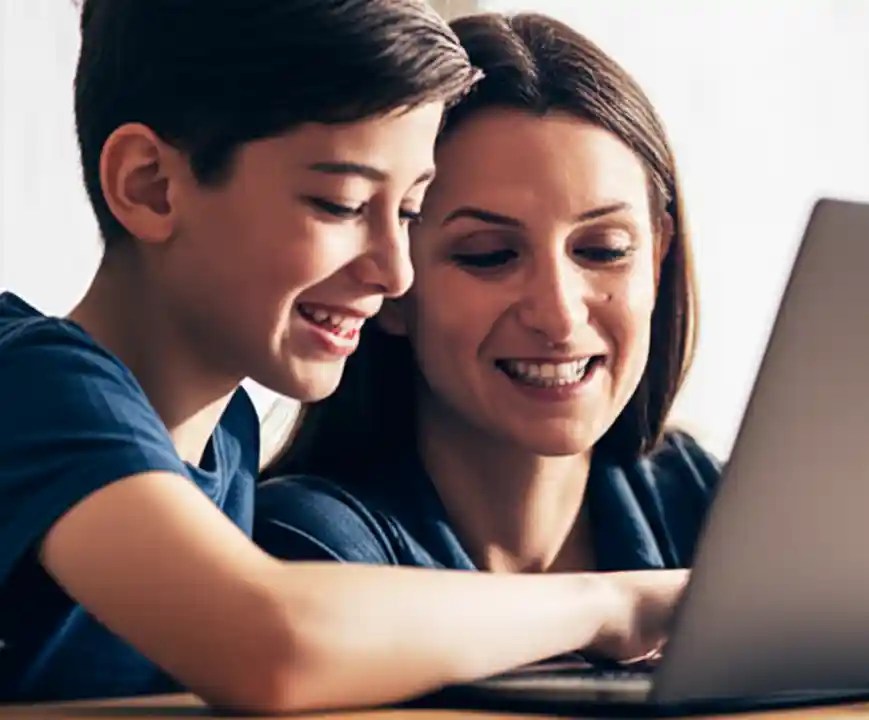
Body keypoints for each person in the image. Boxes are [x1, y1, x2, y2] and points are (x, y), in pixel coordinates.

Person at [257, 10, 869, 685]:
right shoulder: (312, 541)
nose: (557, 311)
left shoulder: (686, 492)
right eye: (488, 254)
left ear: (659, 260)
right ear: (393, 281)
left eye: (603, 250)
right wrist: (646, 609)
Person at [0, 1, 667, 713]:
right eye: (342, 204)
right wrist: (614, 604)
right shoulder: (35, 387)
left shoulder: (226, 437)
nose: (395, 272)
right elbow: (271, 644)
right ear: (150, 186)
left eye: (408, 213)